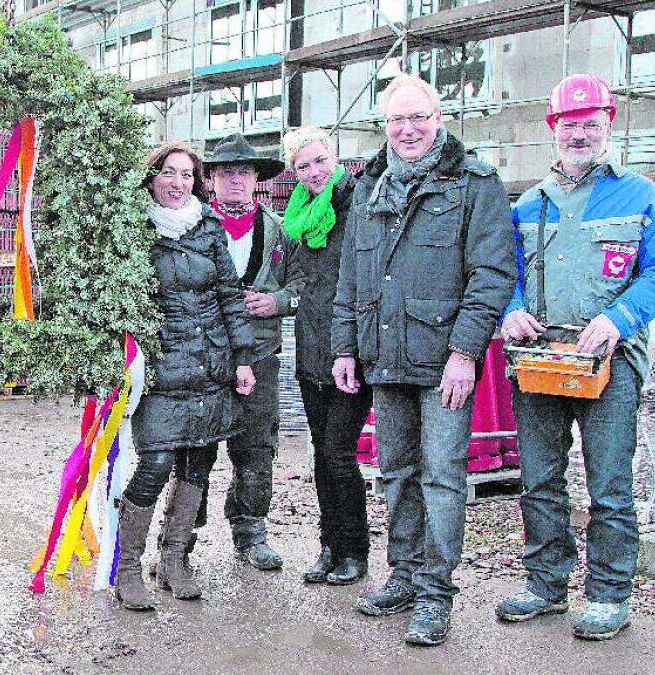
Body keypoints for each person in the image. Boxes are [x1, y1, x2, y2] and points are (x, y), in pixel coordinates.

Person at [495, 73, 655, 641]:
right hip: (539, 359)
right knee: (540, 478)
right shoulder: (528, 206)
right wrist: (512, 310)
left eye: (590, 124)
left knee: (607, 484)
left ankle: (607, 593)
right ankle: (547, 585)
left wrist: (619, 317)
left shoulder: (642, 197)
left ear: (608, 124)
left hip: (609, 361)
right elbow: (506, 275)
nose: (580, 135)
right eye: (569, 125)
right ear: (553, 129)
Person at [331, 73, 515, 646]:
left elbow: (491, 274)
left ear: (439, 117)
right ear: (384, 125)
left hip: (443, 366)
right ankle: (404, 575)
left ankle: (437, 593)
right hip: (385, 356)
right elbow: (352, 272)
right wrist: (344, 343)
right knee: (397, 472)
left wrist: (465, 352)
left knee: (441, 477)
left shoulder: (475, 184)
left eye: (419, 118)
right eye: (396, 120)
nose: (407, 130)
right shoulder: (368, 187)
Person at [118, 141, 257, 611]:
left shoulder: (209, 227)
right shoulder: (132, 230)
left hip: (210, 364)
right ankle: (128, 567)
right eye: (169, 173)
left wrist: (242, 358)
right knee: (155, 463)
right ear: (153, 176)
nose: (178, 184)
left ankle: (174, 559)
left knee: (199, 462)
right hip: (160, 366)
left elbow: (230, 297)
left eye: (187, 175)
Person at [201, 133, 300, 570]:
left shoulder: (278, 230)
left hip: (260, 354)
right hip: (202, 354)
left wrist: (276, 302)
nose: (235, 180)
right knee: (195, 445)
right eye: (226, 172)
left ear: (256, 178)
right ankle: (181, 535)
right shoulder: (194, 225)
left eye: (243, 172)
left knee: (256, 446)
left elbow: (303, 286)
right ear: (212, 179)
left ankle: (251, 530)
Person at [283, 127, 372, 585]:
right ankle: (329, 546)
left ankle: (356, 549)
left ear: (334, 157)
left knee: (339, 451)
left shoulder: (356, 201)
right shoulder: (297, 215)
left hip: (349, 348)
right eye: (303, 166)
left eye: (320, 161)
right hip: (311, 344)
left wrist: (351, 347)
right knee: (320, 451)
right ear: (293, 172)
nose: (315, 172)